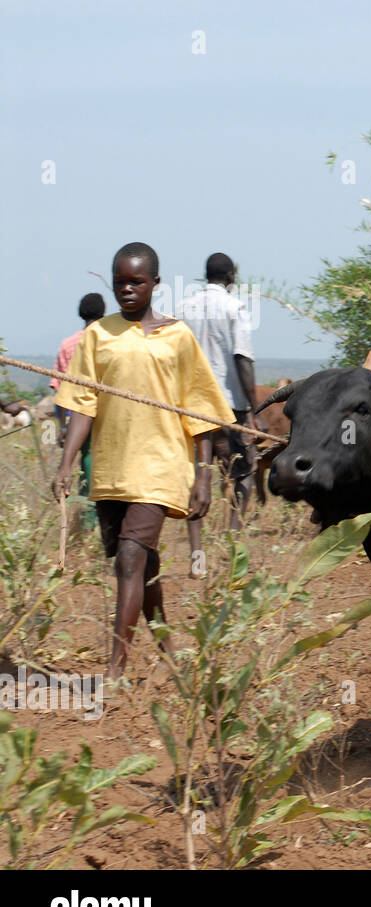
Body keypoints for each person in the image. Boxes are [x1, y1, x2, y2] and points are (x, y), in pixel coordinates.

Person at [52, 242, 234, 684]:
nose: (127, 289)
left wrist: (204, 476)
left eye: (136, 281)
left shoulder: (179, 337)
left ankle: (114, 671)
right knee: (138, 562)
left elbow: (201, 411)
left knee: (130, 559)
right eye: (119, 282)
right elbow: (82, 404)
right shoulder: (98, 336)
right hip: (112, 467)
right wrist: (66, 462)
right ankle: (169, 649)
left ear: (155, 283)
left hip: (162, 467)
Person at [177, 253, 257, 537]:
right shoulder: (235, 307)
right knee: (245, 473)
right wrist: (252, 410)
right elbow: (243, 359)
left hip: (190, 408)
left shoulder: (183, 308)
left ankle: (197, 556)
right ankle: (232, 541)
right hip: (228, 406)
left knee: (197, 477)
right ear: (230, 278)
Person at [50, 293, 105, 508]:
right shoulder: (106, 340)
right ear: (102, 313)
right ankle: (92, 513)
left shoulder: (67, 344)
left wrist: (63, 426)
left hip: (75, 414)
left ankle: (86, 516)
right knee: (92, 460)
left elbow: (59, 388)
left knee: (85, 461)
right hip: (100, 413)